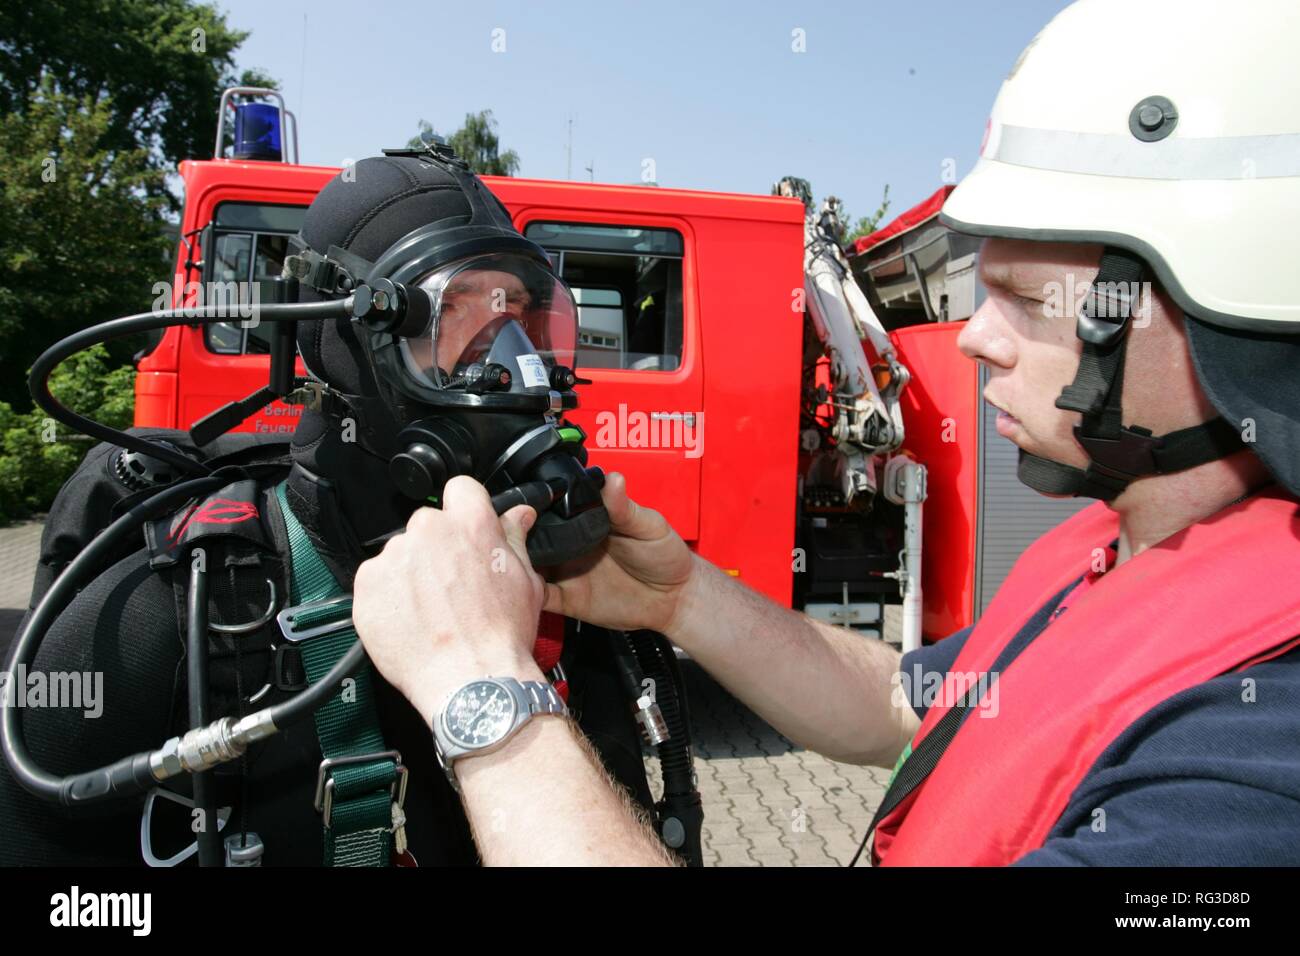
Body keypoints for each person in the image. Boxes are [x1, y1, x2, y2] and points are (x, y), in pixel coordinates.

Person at [352, 0, 1300, 866]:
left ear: (1205, 305)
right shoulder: (1101, 551)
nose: (973, 336)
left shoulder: (1258, 753)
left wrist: (487, 694)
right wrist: (681, 600)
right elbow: (902, 705)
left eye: (1024, 300)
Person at [0, 150, 668, 866]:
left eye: (527, 324)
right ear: (349, 346)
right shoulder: (169, 609)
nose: (514, 366)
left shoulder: (568, 611)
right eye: (462, 319)